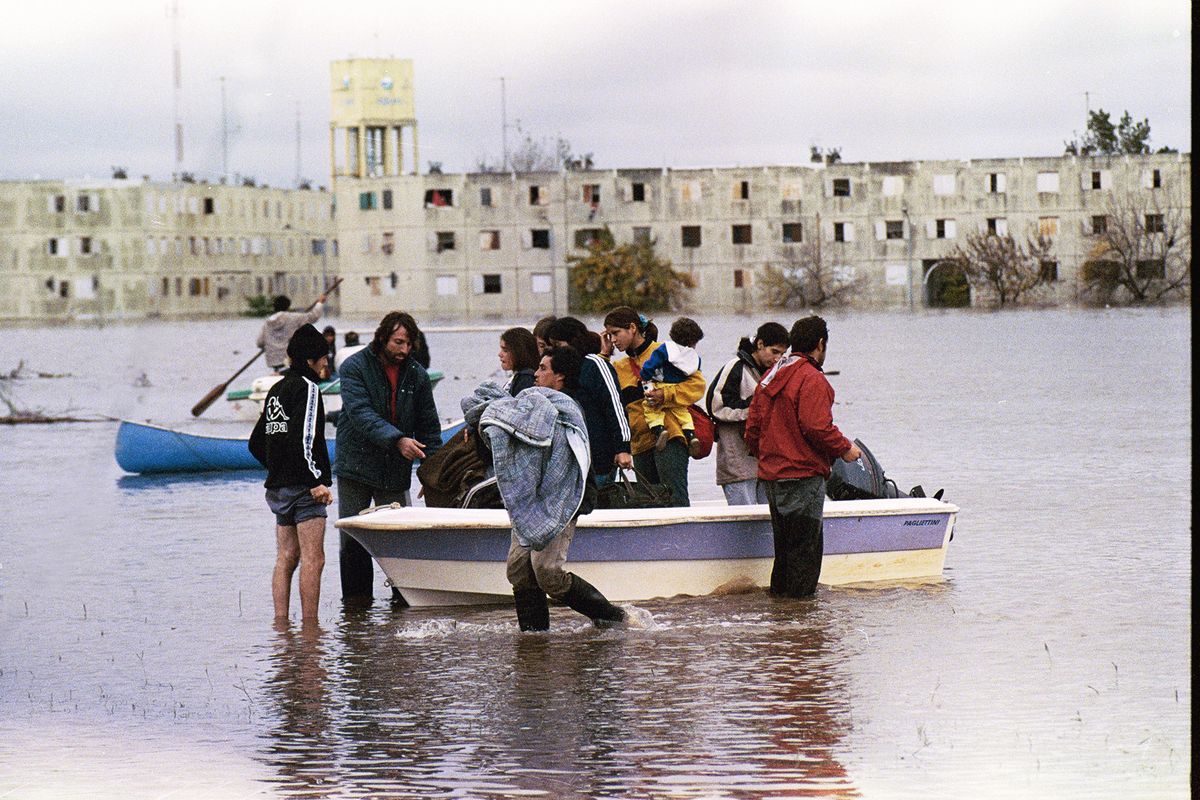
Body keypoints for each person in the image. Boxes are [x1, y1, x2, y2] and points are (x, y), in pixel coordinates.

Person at [462, 347, 630, 631]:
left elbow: (575, 459)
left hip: (563, 499)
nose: (536, 375)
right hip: (532, 499)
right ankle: (534, 636)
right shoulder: (531, 407)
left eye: (543, 369)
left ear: (560, 376)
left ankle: (613, 618)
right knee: (518, 570)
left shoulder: (569, 411)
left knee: (547, 572)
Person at [745, 316, 862, 598]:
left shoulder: (771, 375)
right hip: (803, 476)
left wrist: (770, 456)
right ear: (820, 344)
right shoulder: (812, 378)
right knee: (805, 555)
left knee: (784, 553)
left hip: (773, 477)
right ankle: (801, 627)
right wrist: (845, 448)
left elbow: (752, 429)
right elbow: (817, 426)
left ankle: (782, 622)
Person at [334, 311, 443, 605]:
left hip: (394, 468)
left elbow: (429, 426)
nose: (404, 350)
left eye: (409, 344)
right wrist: (398, 440)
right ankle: (356, 608)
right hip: (355, 465)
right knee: (353, 537)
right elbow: (360, 414)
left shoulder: (417, 374)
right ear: (382, 337)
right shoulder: (354, 367)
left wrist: (430, 473)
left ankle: (403, 600)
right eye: (398, 342)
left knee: (399, 537)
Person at [249, 324, 334, 622]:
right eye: (323, 357)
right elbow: (305, 438)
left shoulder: (276, 389)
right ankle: (311, 629)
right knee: (314, 558)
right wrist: (316, 482)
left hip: (278, 489)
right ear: (310, 360)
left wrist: (278, 469)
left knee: (286, 558)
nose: (327, 363)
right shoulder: (308, 389)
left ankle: (281, 625)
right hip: (305, 489)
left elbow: (256, 443)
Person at [603, 306, 705, 507]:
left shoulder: (665, 352)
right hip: (639, 442)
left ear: (632, 328)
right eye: (609, 335)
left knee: (675, 499)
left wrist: (665, 394)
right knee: (649, 503)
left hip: (669, 437)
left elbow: (697, 385)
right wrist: (604, 355)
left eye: (616, 333)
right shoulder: (619, 367)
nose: (613, 340)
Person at [706, 322, 789, 505]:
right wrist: (755, 409)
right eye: (774, 352)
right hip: (736, 459)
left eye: (782, 354)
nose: (778, 358)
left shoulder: (772, 373)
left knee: (766, 520)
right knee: (744, 518)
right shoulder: (735, 367)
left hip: (763, 461)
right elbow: (715, 405)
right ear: (760, 344)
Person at [543, 317, 633, 482]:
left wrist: (623, 448)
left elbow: (614, 406)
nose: (555, 351)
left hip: (599, 456)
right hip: (574, 459)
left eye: (558, 345)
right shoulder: (563, 371)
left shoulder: (594, 364)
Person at [637, 317, 705, 457]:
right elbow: (694, 374)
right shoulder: (694, 357)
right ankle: (691, 435)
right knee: (683, 414)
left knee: (651, 409)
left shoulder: (665, 349)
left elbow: (651, 364)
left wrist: (645, 374)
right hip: (677, 388)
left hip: (660, 384)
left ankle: (659, 429)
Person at [257, 292, 327, 373]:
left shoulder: (267, 323)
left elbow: (259, 342)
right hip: (289, 359)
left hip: (273, 361)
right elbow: (313, 316)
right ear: (288, 306)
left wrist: (271, 344)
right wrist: (320, 303)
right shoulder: (293, 318)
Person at [498, 327, 539, 396]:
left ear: (518, 352)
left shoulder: (526, 379)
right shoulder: (518, 377)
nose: (500, 354)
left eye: (505, 350)